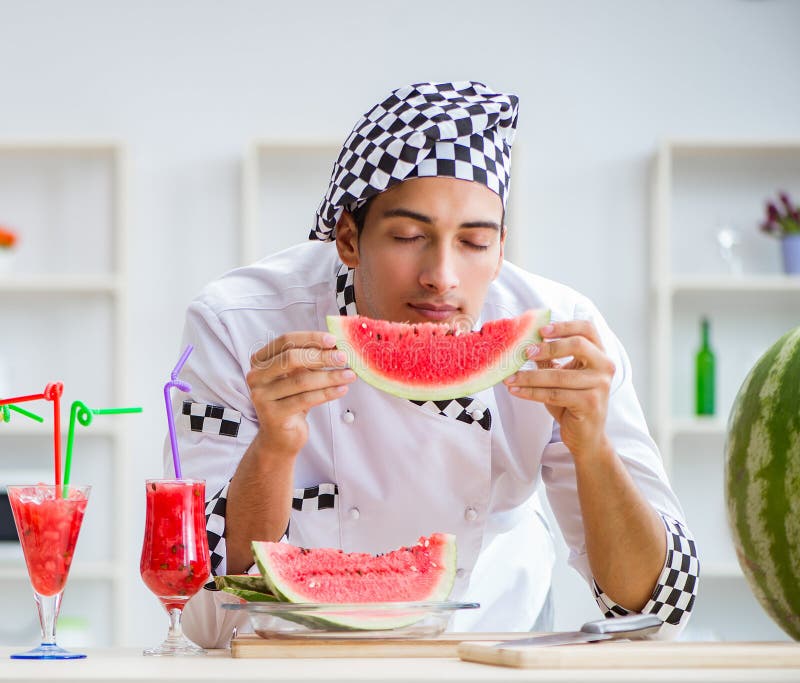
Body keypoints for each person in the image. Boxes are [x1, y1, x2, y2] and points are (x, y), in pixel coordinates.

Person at [169, 81, 699, 648]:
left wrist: (592, 448)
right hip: (303, 654)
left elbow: (660, 612)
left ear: (500, 249)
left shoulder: (561, 336)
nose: (441, 276)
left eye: (473, 242)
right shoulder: (240, 324)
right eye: (407, 235)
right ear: (348, 238)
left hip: (495, 641)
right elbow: (206, 615)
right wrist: (273, 448)